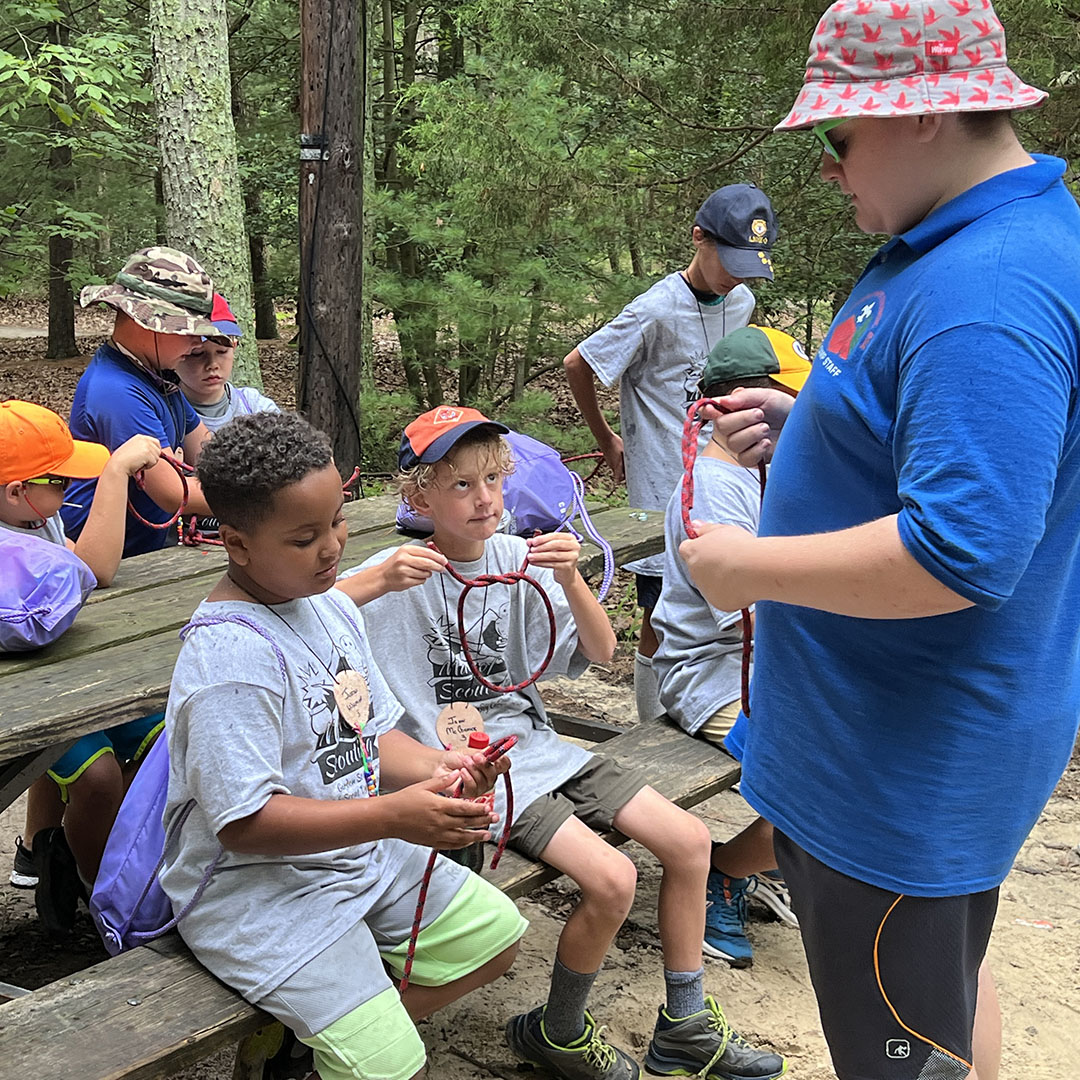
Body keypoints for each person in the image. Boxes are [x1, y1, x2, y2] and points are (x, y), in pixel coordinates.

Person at [680, 5, 1079, 1079]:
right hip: (889, 745)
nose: (825, 168)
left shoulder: (983, 289)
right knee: (947, 989)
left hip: (896, 767)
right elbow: (942, 438)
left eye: (837, 138)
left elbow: (960, 552)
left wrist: (742, 566)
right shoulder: (953, 241)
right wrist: (808, 430)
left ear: (926, 112)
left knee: (900, 1049)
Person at [344, 405, 786, 1080]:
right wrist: (369, 583)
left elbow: (603, 650)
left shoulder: (522, 558)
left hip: (541, 747)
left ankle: (686, 1022)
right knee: (614, 877)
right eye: (461, 485)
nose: (485, 498)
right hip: (481, 768)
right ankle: (558, 1029)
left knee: (692, 842)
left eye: (493, 479)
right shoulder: (396, 572)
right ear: (418, 495)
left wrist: (574, 578)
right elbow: (310, 631)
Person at [160, 410, 527, 1080]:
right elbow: (244, 824)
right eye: (305, 538)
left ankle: (314, 1047)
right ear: (237, 544)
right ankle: (351, 1036)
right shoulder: (229, 661)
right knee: (395, 1065)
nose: (333, 548)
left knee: (496, 942)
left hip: (356, 851)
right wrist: (395, 816)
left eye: (337, 521)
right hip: (257, 894)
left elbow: (370, 737)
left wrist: (445, 769)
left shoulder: (328, 604)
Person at [563, 184, 776, 724]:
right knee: (661, 608)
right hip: (663, 477)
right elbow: (578, 364)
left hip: (724, 473)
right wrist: (606, 436)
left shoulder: (743, 301)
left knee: (717, 602)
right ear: (698, 238)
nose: (736, 276)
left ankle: (699, 707)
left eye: (748, 265)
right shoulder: (655, 310)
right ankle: (652, 728)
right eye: (729, 261)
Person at [651, 327, 809, 969]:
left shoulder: (765, 472)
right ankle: (724, 872)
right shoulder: (717, 485)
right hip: (711, 675)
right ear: (739, 405)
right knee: (809, 787)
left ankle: (752, 861)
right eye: (782, 401)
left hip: (764, 666)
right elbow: (743, 605)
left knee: (855, 761)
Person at [0, 399, 164, 925]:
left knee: (164, 733)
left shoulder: (37, 520)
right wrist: (116, 472)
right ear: (17, 491)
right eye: (62, 483)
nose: (70, 492)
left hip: (77, 674)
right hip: (30, 700)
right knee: (97, 778)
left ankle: (83, 856)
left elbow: (89, 567)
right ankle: (107, 891)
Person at [63, 246, 221, 558]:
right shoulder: (116, 390)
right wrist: (266, 497)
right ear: (144, 321)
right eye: (185, 328)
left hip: (148, 549)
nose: (197, 341)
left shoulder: (154, 374)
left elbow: (207, 447)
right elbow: (174, 494)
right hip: (108, 565)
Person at [174, 292, 280, 433]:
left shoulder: (254, 406)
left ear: (234, 347)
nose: (212, 364)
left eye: (222, 351)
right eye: (197, 354)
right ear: (175, 354)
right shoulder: (163, 412)